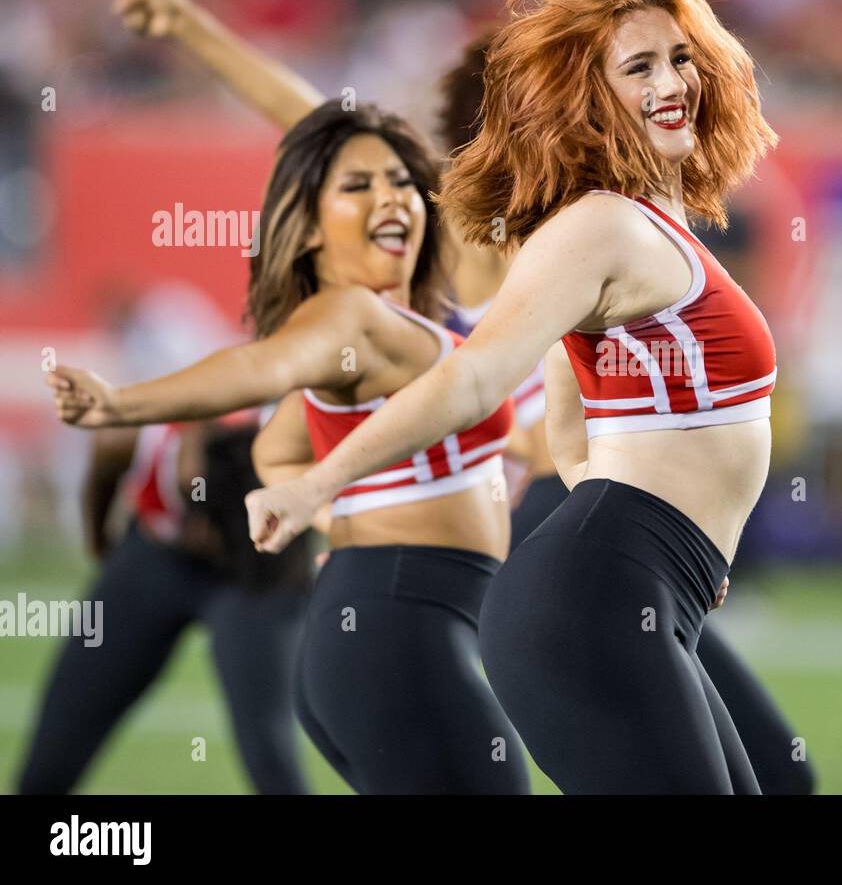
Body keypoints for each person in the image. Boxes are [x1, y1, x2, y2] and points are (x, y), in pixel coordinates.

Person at [118, 0, 815, 794]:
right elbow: (475, 374)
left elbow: (566, 409)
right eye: (638, 68)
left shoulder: (635, 236)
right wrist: (317, 486)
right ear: (581, 101)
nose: (670, 83)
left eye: (682, 57)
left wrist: (679, 530)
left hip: (632, 567)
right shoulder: (581, 234)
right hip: (538, 586)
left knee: (781, 781)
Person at [45, 102, 530, 794]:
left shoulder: (402, 328)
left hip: (383, 619)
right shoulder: (348, 315)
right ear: (306, 230)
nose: (389, 196)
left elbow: (277, 446)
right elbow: (257, 368)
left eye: (399, 179)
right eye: (356, 185)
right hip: (401, 627)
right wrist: (123, 403)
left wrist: (328, 511)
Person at [17, 416, 312, 794]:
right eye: (202, 512)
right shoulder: (142, 438)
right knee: (59, 736)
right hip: (156, 555)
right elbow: (106, 456)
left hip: (255, 573)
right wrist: (101, 544)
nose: (206, 532)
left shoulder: (286, 445)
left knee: (269, 748)